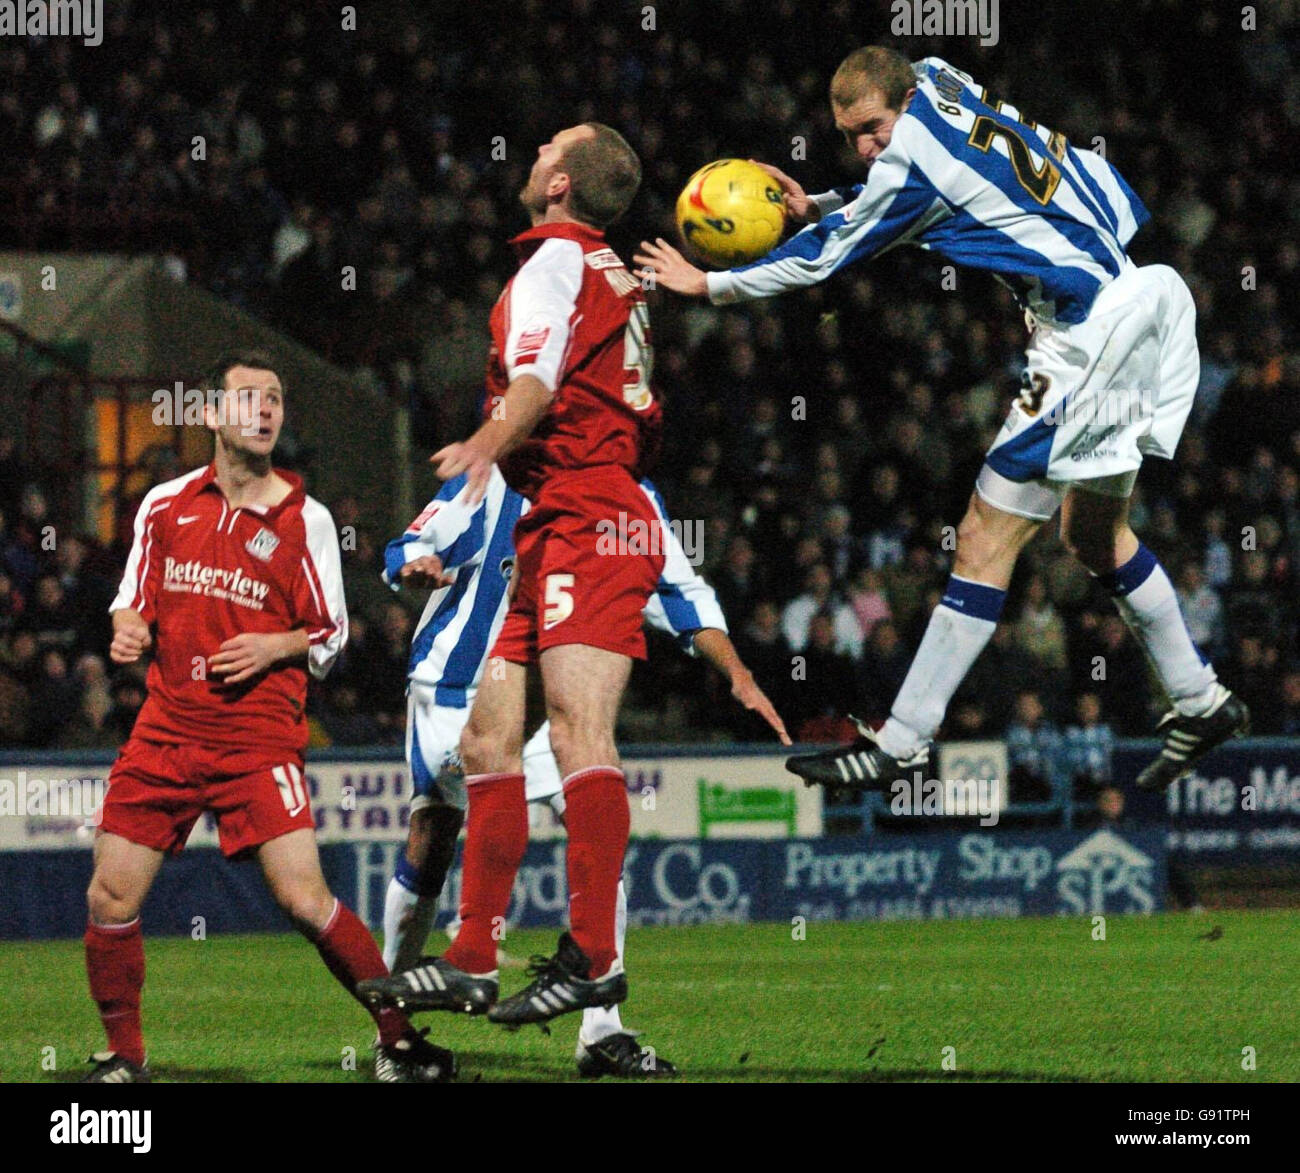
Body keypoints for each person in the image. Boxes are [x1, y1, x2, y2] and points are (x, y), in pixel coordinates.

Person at [636, 46, 1250, 795]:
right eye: (851, 135)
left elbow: (827, 260)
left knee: (986, 533)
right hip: (1132, 295)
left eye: (872, 128)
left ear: (897, 101)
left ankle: (902, 741)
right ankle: (1201, 699)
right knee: (1093, 534)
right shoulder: (935, 75)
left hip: (1091, 334)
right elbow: (906, 189)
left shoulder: (908, 160)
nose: (865, 146)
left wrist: (712, 283)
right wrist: (823, 201)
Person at [360, 122, 664, 1031]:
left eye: (546, 150)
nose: (530, 156)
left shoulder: (553, 263)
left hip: (589, 514)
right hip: (556, 520)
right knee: (489, 744)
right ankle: (472, 956)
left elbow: (531, 387)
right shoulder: (605, 268)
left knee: (578, 733)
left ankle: (593, 961)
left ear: (562, 183)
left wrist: (483, 446)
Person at [83, 351, 449, 1084]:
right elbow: (132, 598)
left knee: (305, 899)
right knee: (109, 893)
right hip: (166, 730)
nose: (264, 408)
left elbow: (332, 633)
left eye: (275, 398)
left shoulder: (305, 519)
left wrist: (275, 644)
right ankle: (125, 1056)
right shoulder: (163, 504)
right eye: (248, 397)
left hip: (256, 740)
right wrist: (128, 627)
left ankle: (399, 1039)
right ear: (213, 415)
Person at [363, 465, 787, 1076]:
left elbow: (680, 592)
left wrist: (738, 672)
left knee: (589, 824)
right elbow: (411, 543)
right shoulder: (495, 481)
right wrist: (412, 564)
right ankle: (394, 1033)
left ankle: (600, 1029)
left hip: (539, 689)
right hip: (453, 686)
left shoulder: (632, 500)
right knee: (432, 841)